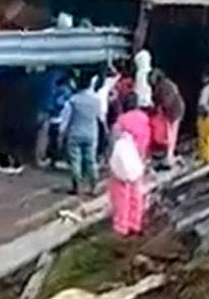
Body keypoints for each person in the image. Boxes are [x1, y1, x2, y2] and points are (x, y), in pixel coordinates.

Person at [108, 93, 152, 237]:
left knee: (121, 194)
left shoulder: (121, 120)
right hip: (138, 160)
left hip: (123, 161)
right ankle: (135, 223)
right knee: (136, 194)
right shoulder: (145, 120)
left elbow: (114, 141)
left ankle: (122, 226)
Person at [64, 74, 103, 195]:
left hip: (75, 132)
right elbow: (100, 117)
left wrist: (62, 132)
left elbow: (66, 118)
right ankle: (93, 186)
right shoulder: (96, 100)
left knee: (75, 160)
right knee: (91, 160)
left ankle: (77, 186)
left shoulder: (73, 100)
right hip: (91, 132)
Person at [151, 69, 185, 167]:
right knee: (171, 134)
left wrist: (159, 107)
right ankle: (170, 155)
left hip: (173, 112)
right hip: (176, 109)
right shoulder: (169, 84)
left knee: (171, 134)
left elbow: (166, 101)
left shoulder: (163, 87)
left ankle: (169, 156)